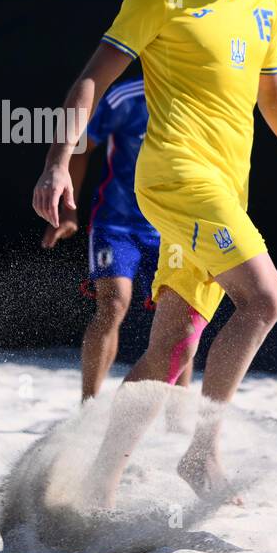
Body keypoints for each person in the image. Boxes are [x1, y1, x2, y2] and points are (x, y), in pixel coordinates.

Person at [31, 0, 277, 507]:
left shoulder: (266, 2)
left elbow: (271, 94)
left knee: (171, 346)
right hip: (175, 177)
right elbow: (90, 79)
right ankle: (203, 452)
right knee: (266, 299)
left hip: (226, 188)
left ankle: (96, 482)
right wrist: (59, 161)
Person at [41, 78, 197, 404]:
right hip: (117, 223)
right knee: (113, 305)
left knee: (181, 315)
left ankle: (178, 408)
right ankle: (89, 405)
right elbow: (81, 145)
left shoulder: (205, 98)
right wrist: (70, 211)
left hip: (174, 227)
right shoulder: (126, 97)